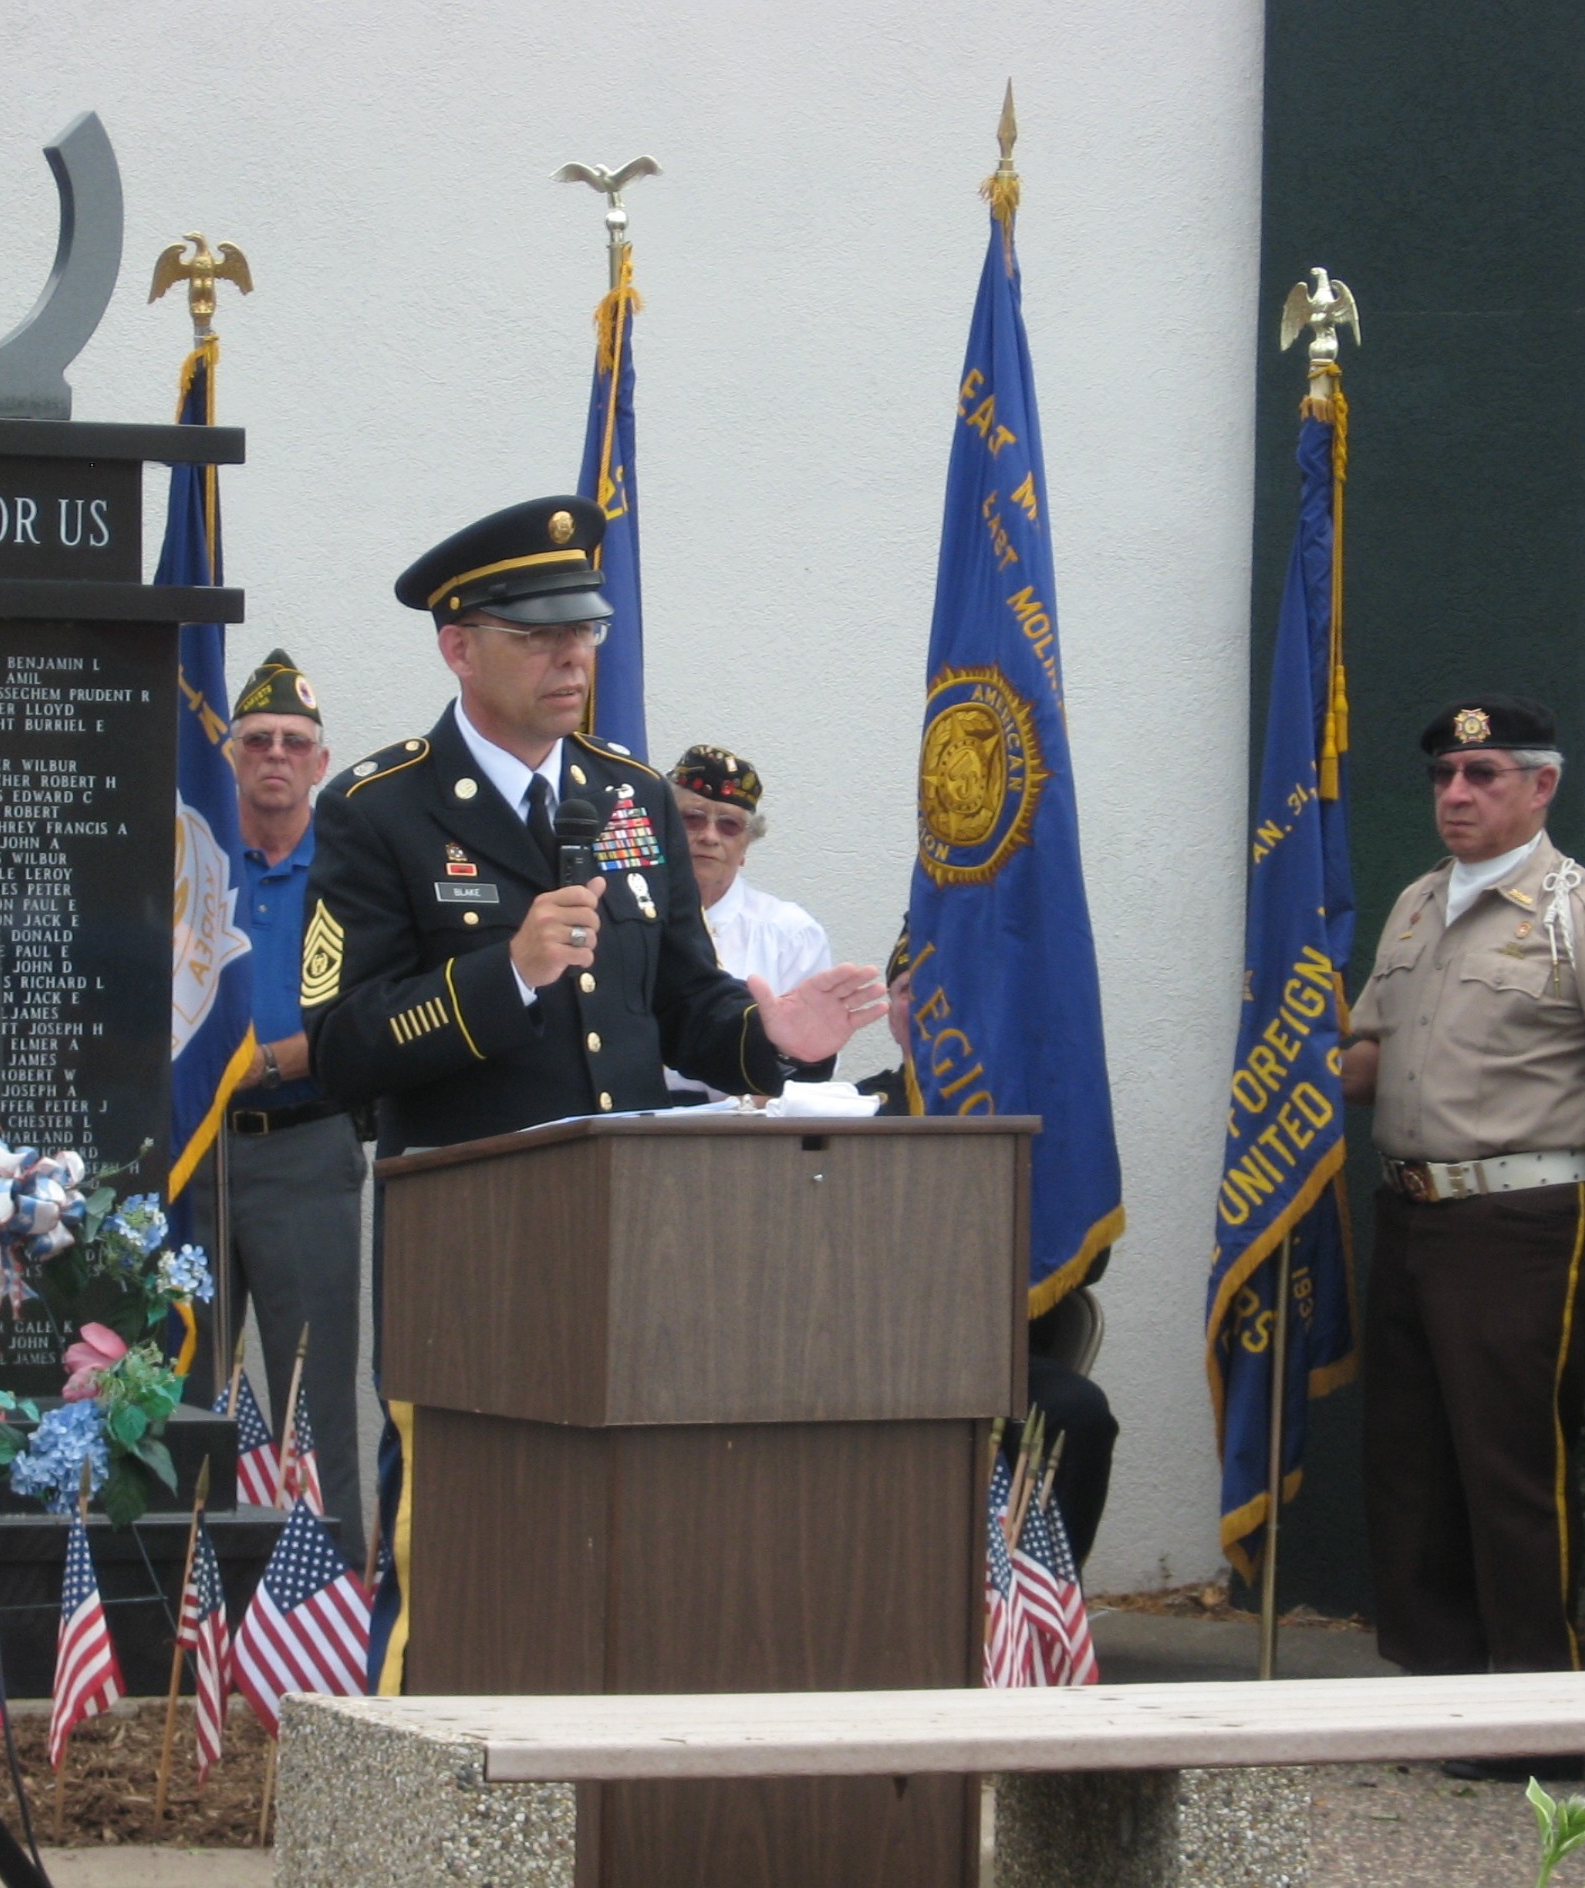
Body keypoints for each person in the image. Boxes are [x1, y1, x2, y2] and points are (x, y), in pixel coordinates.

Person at [302, 493, 886, 1687]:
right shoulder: (380, 810)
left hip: (636, 1241)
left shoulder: (629, 797)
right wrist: (503, 976)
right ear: (457, 645)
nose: (574, 659)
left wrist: (770, 1039)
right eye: (537, 635)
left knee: (633, 1530)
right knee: (460, 1537)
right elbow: (345, 1043)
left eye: (587, 633)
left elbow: (680, 1003)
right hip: (467, 1242)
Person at [1343, 697, 1585, 1739]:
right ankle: (1444, 1687)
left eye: (1484, 776)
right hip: (1413, 1215)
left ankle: (1537, 1709)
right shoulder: (1416, 903)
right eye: (1445, 779)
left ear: (1541, 786)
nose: (1456, 796)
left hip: (1523, 1221)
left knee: (1512, 1467)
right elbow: (1371, 1058)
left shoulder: (1581, 912)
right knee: (1413, 1462)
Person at [171, 649, 365, 1564]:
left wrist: (286, 1058)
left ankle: (328, 1606)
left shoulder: (357, 872)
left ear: (321, 763)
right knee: (178, 1384)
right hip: (192, 1154)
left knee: (312, 1391)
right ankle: (176, 1597)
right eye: (257, 741)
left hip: (305, 1148)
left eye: (295, 742)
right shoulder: (188, 858)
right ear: (230, 753)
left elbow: (383, 1012)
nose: (276, 756)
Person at [856, 922, 1118, 1567]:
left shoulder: (1022, 1116)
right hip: (860, 1353)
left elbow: (1088, 1259)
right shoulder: (848, 1111)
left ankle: (1036, 1612)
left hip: (988, 1354)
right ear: (888, 1010)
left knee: (1078, 1414)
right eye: (911, 988)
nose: (927, 1003)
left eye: (949, 988)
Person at [663, 743, 833, 1102]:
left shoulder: (792, 934)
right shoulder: (626, 916)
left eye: (729, 826)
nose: (709, 836)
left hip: (743, 1128)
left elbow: (803, 1071)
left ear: (745, 850)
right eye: (692, 818)